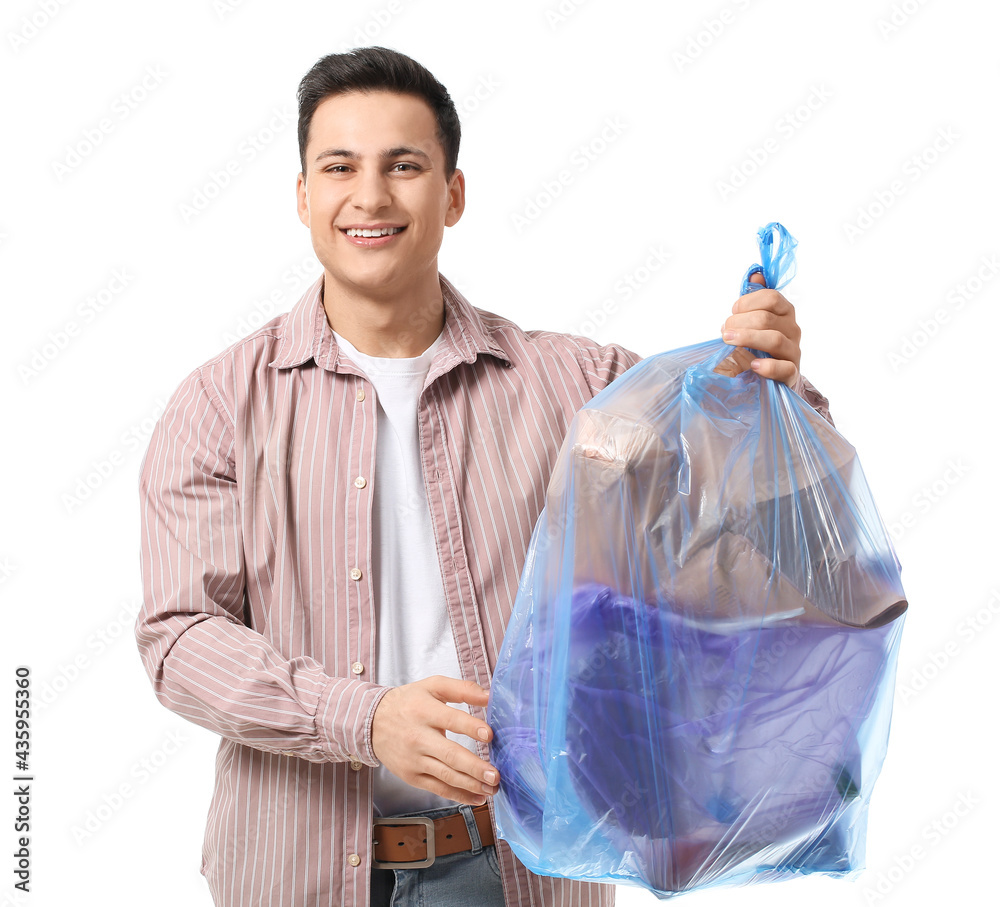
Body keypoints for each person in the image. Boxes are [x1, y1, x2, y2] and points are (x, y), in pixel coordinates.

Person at [136, 46, 829, 907]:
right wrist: (364, 717)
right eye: (340, 166)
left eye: (405, 165)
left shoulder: (575, 385)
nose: (372, 195)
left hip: (515, 866)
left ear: (453, 193)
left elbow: (737, 513)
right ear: (304, 196)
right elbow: (178, 638)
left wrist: (767, 388)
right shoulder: (217, 404)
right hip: (293, 871)